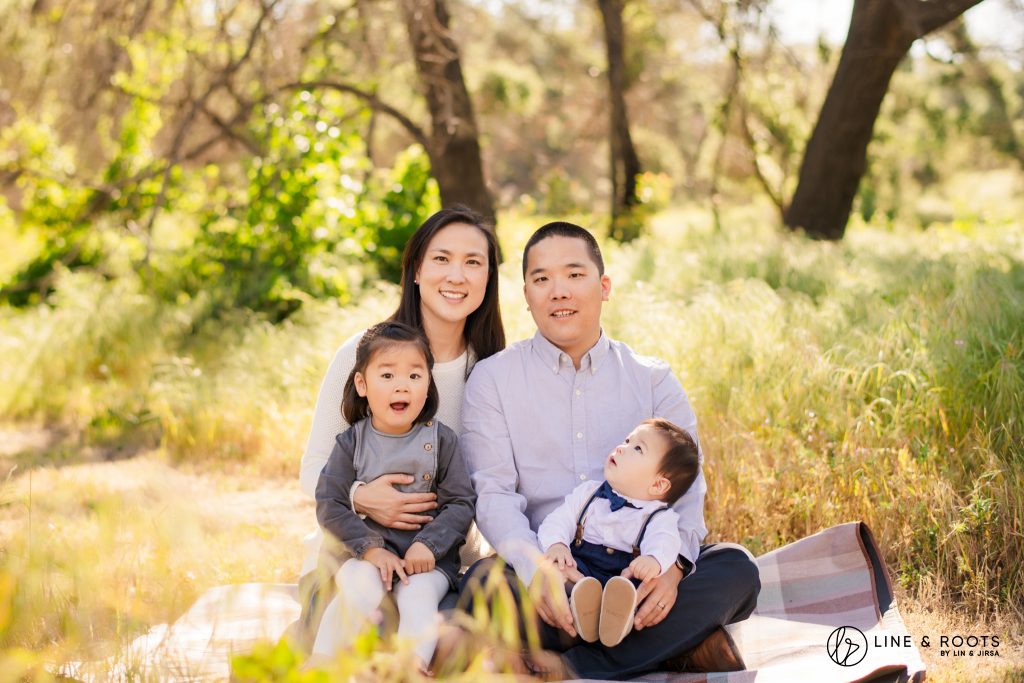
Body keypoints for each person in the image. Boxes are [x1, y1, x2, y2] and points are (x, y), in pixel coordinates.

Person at [459, 221, 761, 679]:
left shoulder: (652, 378)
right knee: (483, 586)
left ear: (604, 287)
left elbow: (688, 490)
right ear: (526, 295)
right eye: (542, 279)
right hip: (552, 572)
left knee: (738, 570)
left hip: (634, 573)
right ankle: (674, 645)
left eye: (574, 274)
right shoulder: (493, 380)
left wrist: (674, 571)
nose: (558, 291)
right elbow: (494, 494)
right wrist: (536, 568)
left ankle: (573, 666)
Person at [298, 205, 505, 658]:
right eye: (441, 259)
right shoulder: (363, 354)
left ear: (489, 278)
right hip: (352, 556)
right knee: (351, 637)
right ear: (414, 271)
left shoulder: (493, 373)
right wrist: (360, 496)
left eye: (474, 263)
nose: (457, 275)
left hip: (434, 566)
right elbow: (314, 469)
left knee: (446, 649)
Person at [315, 321, 475, 671]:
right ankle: (324, 664)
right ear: (362, 384)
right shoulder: (351, 443)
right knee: (359, 588)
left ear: (428, 384)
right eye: (387, 376)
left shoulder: (442, 441)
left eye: (414, 376)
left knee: (418, 597)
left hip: (426, 563)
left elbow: (461, 502)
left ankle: (410, 669)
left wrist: (428, 546)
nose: (402, 386)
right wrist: (370, 549)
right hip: (364, 557)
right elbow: (330, 502)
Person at [538, 419, 699, 648]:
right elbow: (559, 519)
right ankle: (585, 610)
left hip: (620, 576)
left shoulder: (658, 517)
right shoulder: (588, 494)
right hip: (581, 568)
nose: (622, 447)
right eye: (627, 440)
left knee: (635, 586)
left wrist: (653, 560)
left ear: (658, 486)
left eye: (637, 448)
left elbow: (666, 542)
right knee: (562, 574)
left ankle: (615, 619)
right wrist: (557, 544)